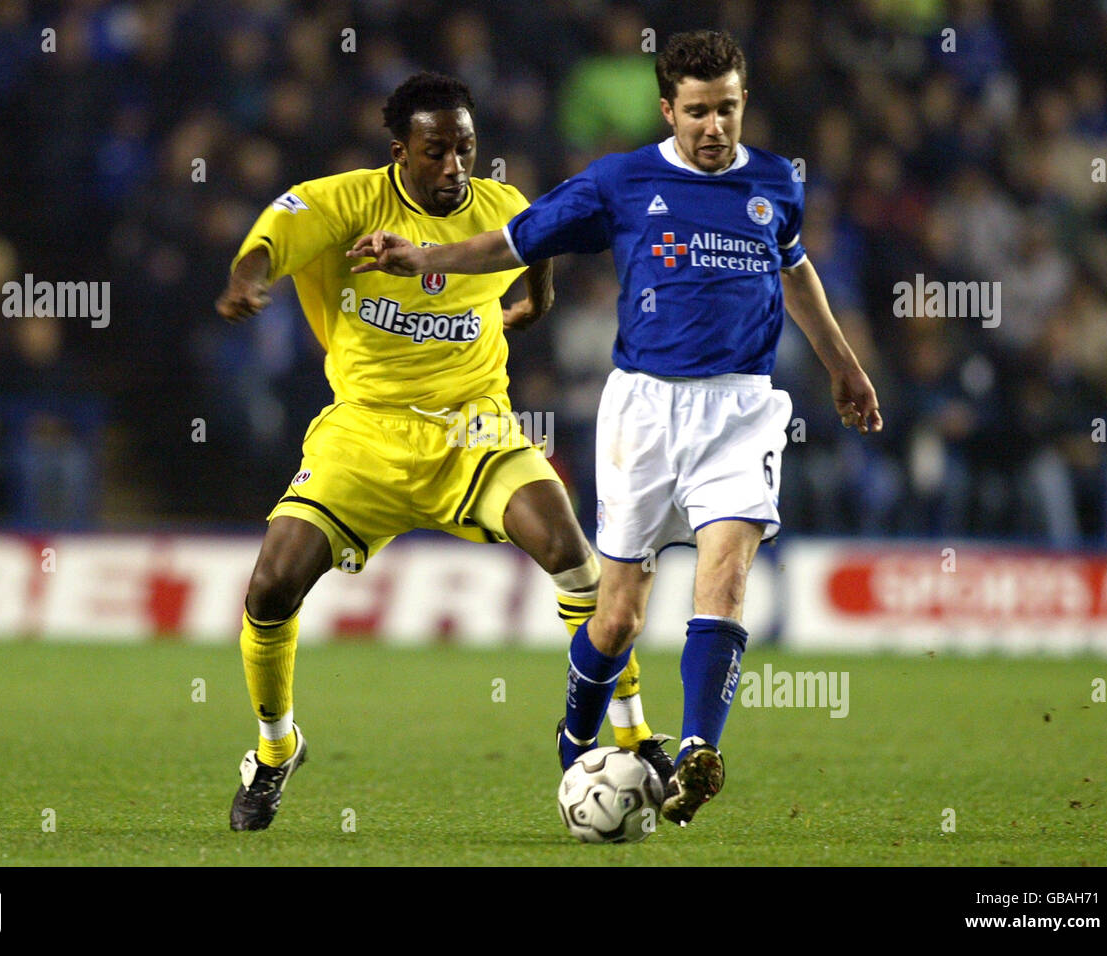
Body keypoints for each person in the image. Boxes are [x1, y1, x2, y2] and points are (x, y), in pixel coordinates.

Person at [349, 32, 883, 827]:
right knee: (619, 613)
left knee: (726, 570)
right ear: (668, 109)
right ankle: (575, 744)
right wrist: (421, 255)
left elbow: (794, 267)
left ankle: (700, 748)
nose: (713, 127)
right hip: (643, 410)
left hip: (742, 407)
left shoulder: (776, 183)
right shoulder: (622, 180)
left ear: (743, 105)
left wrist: (843, 364)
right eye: (697, 111)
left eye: (727, 110)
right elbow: (515, 239)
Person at [214, 72, 667, 832]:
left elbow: (537, 240)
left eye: (465, 148)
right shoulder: (346, 201)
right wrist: (246, 279)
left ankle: (634, 735)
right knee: (269, 587)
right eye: (438, 151)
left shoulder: (500, 205)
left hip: (473, 428)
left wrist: (539, 295)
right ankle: (274, 750)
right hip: (365, 431)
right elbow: (271, 235)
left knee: (573, 554)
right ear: (401, 153)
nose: (456, 165)